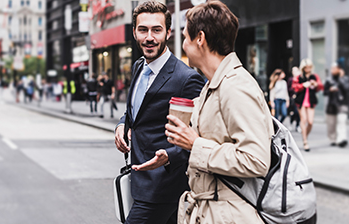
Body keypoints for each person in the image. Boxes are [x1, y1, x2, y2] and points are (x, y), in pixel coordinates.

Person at [164, 1, 274, 223]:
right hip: (212, 212)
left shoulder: (235, 86)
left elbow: (256, 159)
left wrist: (195, 145)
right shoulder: (214, 84)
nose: (183, 44)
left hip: (231, 215)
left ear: (200, 39)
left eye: (185, 37)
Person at [114, 1, 204, 223]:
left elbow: (199, 133)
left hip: (164, 186)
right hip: (138, 178)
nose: (149, 37)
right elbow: (136, 111)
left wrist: (168, 156)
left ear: (168, 32)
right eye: (143, 30)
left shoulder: (186, 78)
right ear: (134, 32)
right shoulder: (138, 66)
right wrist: (122, 124)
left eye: (156, 30)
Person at [292, 58, 324, 151]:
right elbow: (294, 88)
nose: (308, 69)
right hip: (301, 101)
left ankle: (305, 135)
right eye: (306, 67)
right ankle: (305, 141)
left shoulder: (314, 76)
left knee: (310, 122)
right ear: (303, 68)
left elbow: (320, 87)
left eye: (309, 67)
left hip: (311, 101)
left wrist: (316, 84)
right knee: (304, 120)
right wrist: (303, 85)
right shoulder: (298, 77)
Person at [324, 62, 349, 147]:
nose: (333, 70)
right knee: (331, 124)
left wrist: (341, 78)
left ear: (339, 69)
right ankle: (333, 139)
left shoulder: (345, 79)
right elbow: (325, 92)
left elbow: (346, 88)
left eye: (335, 69)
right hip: (331, 105)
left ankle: (341, 139)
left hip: (342, 104)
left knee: (342, 121)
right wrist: (330, 90)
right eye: (332, 69)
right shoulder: (329, 79)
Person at [288, 66, 301, 132]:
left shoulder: (300, 79)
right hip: (292, 98)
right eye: (293, 71)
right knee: (293, 112)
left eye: (296, 71)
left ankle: (298, 125)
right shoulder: (291, 79)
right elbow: (288, 89)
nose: (294, 72)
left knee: (298, 113)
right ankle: (291, 122)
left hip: (299, 98)